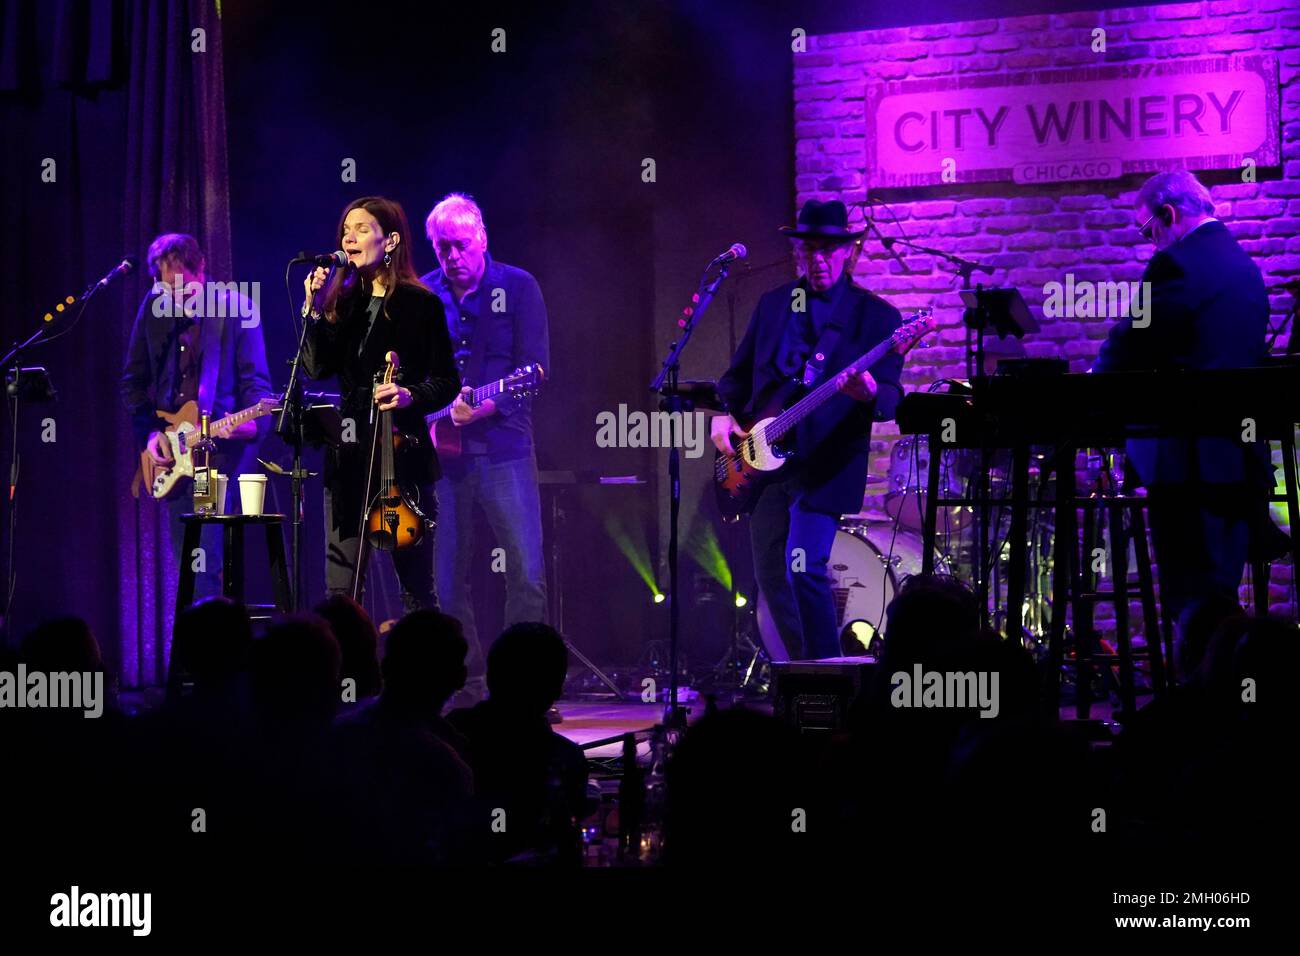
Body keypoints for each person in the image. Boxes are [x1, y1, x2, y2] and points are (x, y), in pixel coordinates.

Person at [712, 199, 905, 660]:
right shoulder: (774, 305)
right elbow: (736, 380)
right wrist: (722, 414)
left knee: (805, 566)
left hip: (825, 466)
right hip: (764, 464)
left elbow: (892, 399)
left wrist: (870, 393)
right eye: (809, 250)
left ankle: (829, 682)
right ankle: (808, 672)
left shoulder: (876, 318)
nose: (817, 260)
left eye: (828, 250)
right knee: (770, 576)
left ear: (848, 252)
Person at [1093, 169, 1277, 625]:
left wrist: (1096, 376)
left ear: (1168, 214)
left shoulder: (1176, 264)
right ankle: (1227, 687)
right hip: (1237, 459)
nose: (1150, 241)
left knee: (1190, 602)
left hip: (1186, 459)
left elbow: (1133, 342)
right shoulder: (1245, 268)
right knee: (1221, 598)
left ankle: (1194, 689)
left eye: (1147, 230)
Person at [419, 194, 550, 704]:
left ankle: (527, 690)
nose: (451, 256)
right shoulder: (423, 295)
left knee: (526, 571)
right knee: (446, 580)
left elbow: (535, 370)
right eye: (441, 247)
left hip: (504, 449)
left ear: (482, 240)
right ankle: (468, 687)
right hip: (442, 456)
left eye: (459, 245)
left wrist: (485, 409)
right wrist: (434, 409)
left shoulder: (518, 287)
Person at [302, 196, 460, 609]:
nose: (348, 238)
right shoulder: (344, 302)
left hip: (402, 458)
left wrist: (410, 395)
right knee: (341, 590)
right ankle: (350, 672)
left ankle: (422, 670)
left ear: (389, 241)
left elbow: (447, 381)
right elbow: (316, 369)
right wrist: (313, 312)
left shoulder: (420, 303)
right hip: (349, 458)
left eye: (361, 229)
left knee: (416, 589)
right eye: (345, 230)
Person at [121, 233, 272, 602]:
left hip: (217, 459)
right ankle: (200, 650)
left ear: (201, 270)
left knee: (205, 566)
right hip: (174, 455)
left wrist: (254, 426)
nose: (173, 295)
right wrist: (150, 433)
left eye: (182, 286)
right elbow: (133, 382)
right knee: (188, 565)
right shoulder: (153, 308)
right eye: (164, 286)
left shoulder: (235, 308)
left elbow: (257, 385)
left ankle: (210, 654)